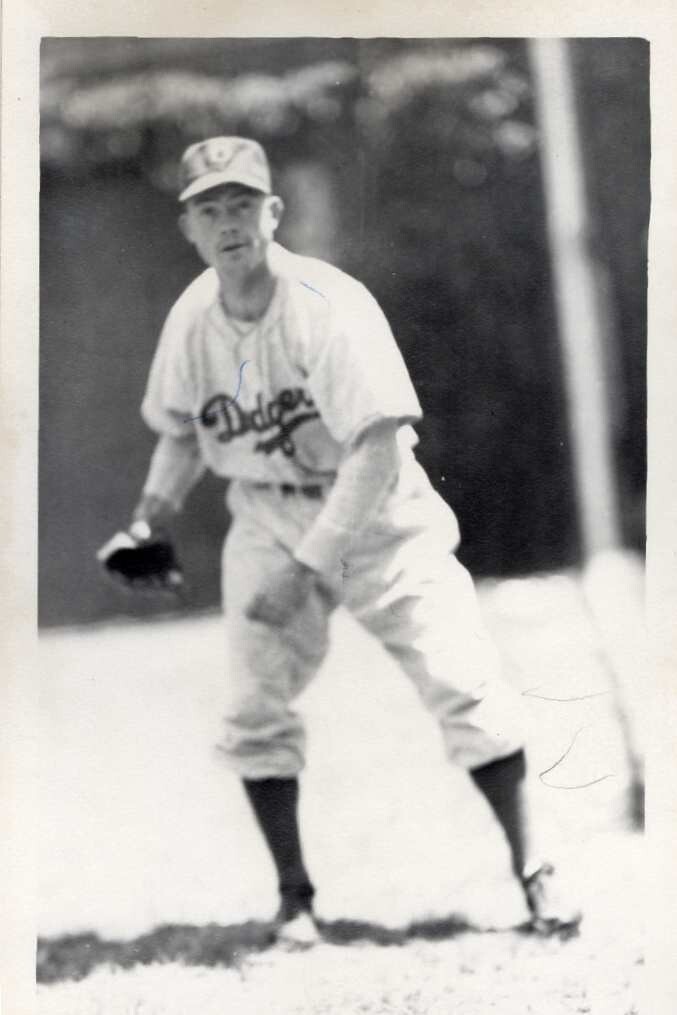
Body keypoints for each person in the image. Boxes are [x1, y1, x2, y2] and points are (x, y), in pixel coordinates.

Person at [127, 136, 580, 946]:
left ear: (272, 213)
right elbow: (184, 432)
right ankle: (295, 899)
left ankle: (536, 870)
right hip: (267, 507)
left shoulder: (326, 303)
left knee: (462, 682)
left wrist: (307, 566)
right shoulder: (193, 316)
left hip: (378, 513)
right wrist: (149, 516)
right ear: (188, 228)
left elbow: (374, 447)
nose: (228, 222)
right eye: (210, 210)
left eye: (241, 205)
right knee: (253, 705)